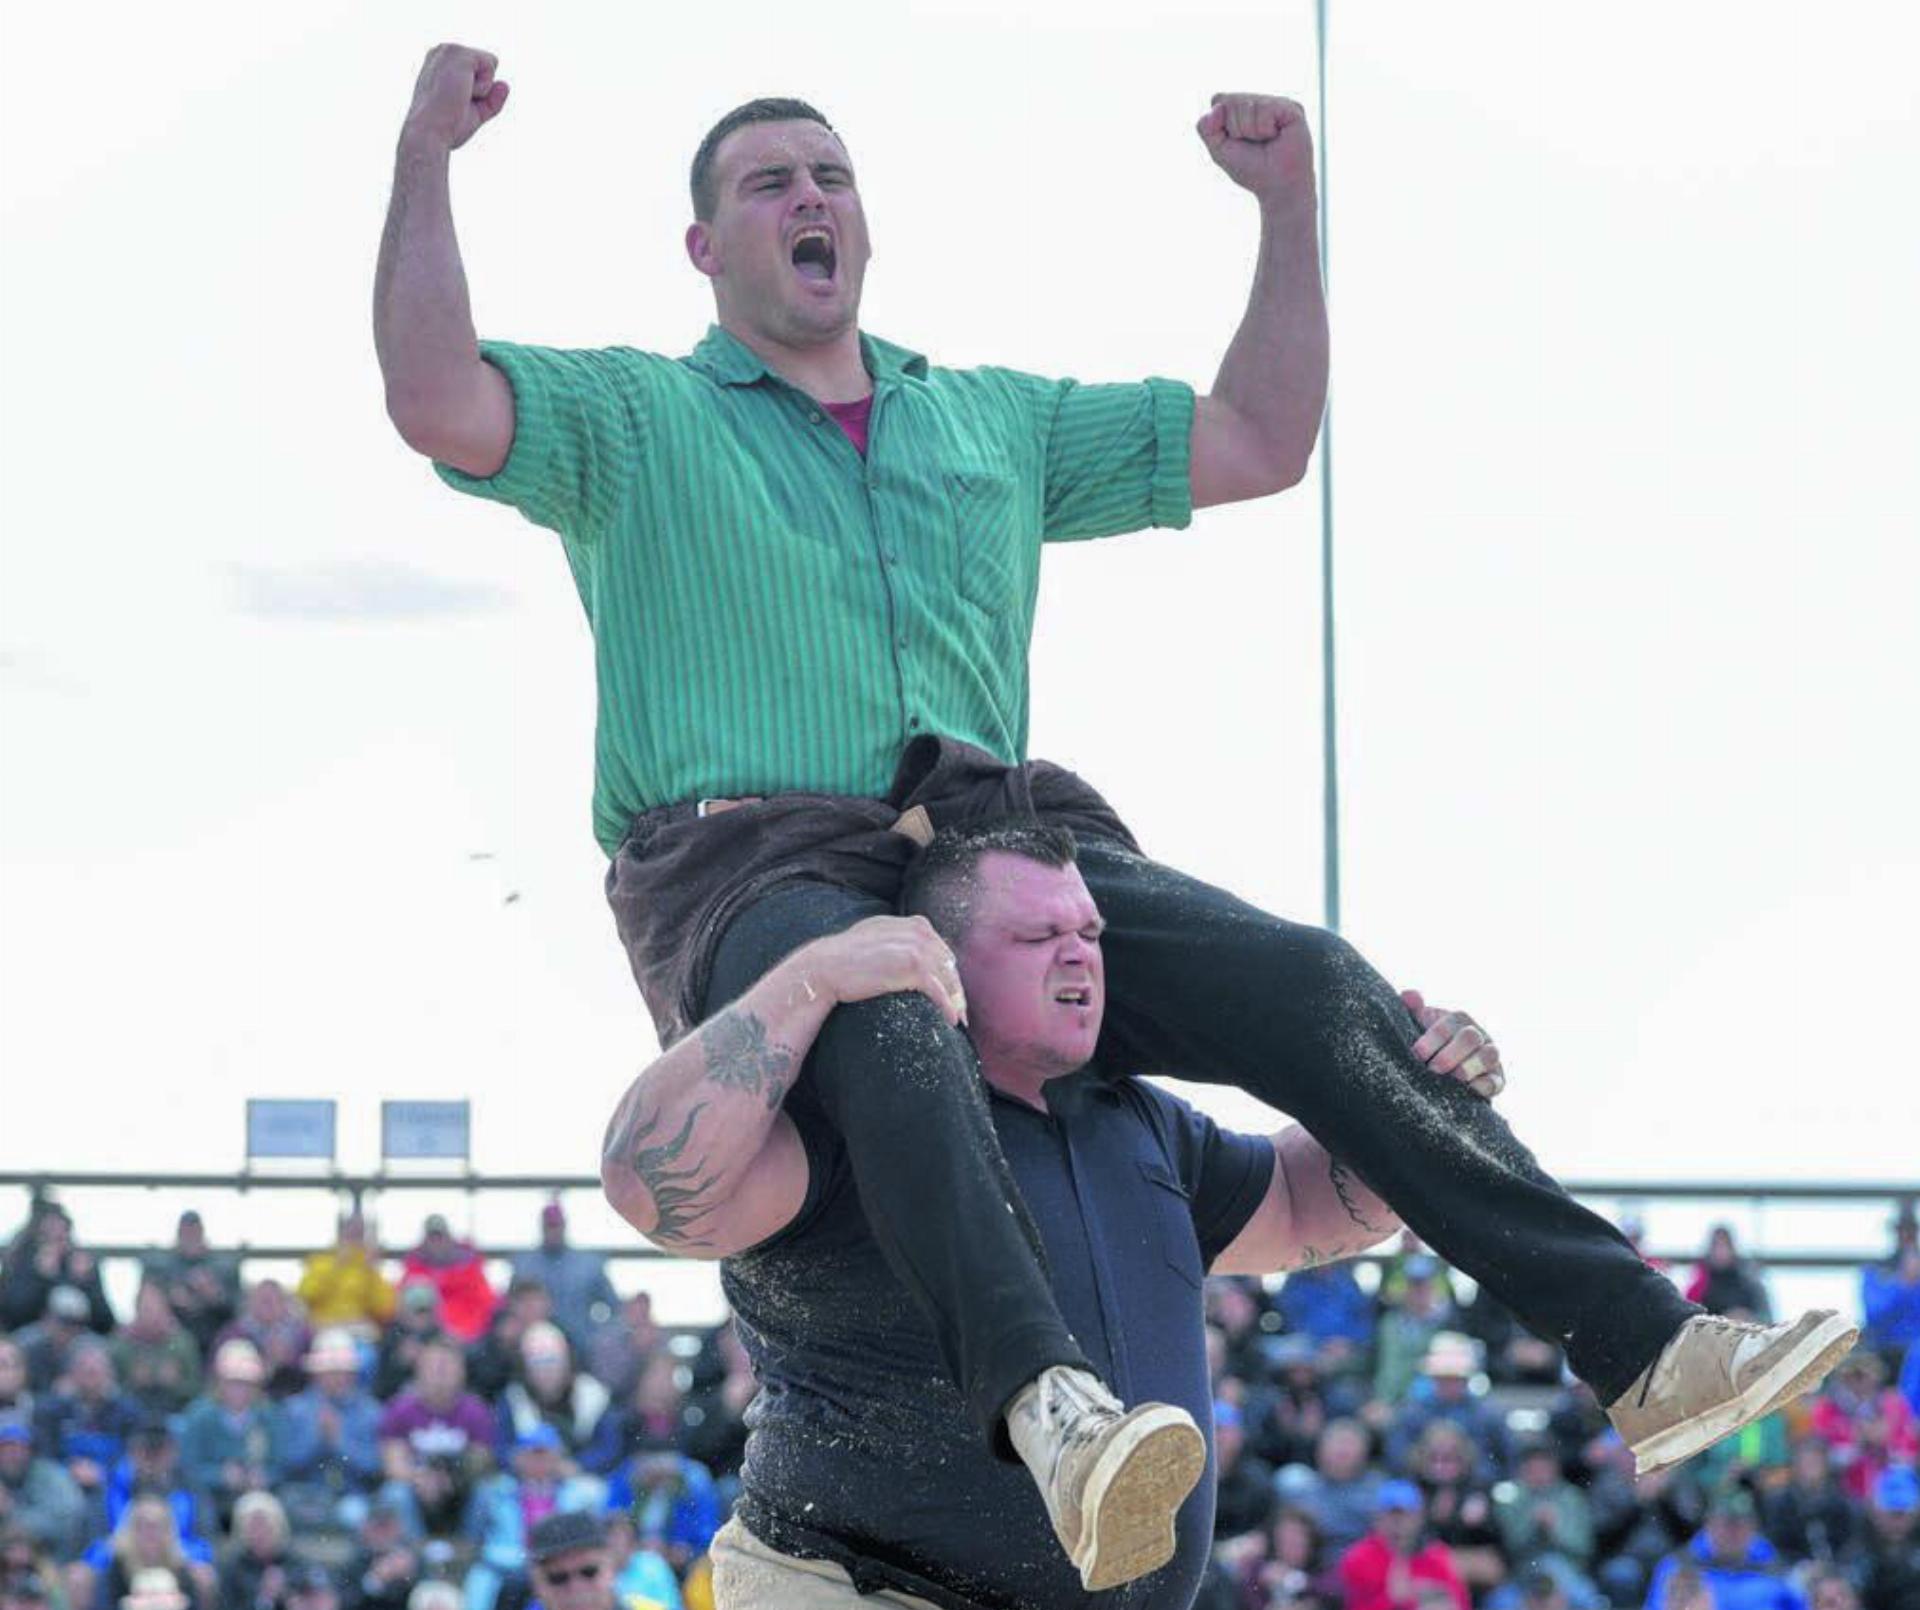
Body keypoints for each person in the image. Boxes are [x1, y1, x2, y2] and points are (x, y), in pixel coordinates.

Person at [380, 44, 1854, 1573]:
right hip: (753, 852)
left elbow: (1258, 443)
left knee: (1309, 980)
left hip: (988, 832)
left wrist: (1290, 207)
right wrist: (426, 153)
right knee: (891, 1019)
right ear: (706, 247)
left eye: (830, 175)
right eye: (769, 183)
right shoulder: (635, 417)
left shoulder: (987, 421)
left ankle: (1642, 1343)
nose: (810, 197)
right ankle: (1055, 1409)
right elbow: (435, 395)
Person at [600, 823, 1497, 1606]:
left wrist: (1411, 1089)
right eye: (1038, 935)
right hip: (861, 1587)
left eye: (1090, 933)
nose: (1080, 955)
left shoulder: (1140, 1123)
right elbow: (650, 1185)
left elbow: (1311, 1206)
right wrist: (810, 980)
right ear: (939, 956)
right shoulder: (851, 1120)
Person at [273, 1330, 384, 1535]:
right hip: (305, 1495)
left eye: (341, 1371)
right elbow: (285, 1464)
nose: (336, 1378)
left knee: (356, 1514)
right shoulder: (294, 1409)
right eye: (329, 1371)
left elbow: (373, 1467)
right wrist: (317, 1439)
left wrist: (338, 1441)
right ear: (315, 1374)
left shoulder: (370, 1411)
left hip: (351, 1496)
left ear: (352, 1374)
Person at [174, 1343, 275, 1533]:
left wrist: (264, 1475)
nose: (239, 1390)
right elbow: (187, 1466)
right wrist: (220, 1475)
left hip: (256, 1496)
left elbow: (281, 1461)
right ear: (219, 1384)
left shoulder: (268, 1416)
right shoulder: (199, 1416)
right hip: (211, 1497)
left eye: (246, 1384)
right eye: (233, 1383)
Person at [1336, 1482, 1470, 1610]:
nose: (1398, 1523)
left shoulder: (1438, 1556)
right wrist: (1398, 1600)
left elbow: (1460, 1603)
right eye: (1391, 1515)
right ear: (1377, 1518)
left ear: (1420, 1517)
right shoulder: (1359, 1558)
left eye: (1405, 1515)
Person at [508, 1210, 616, 1355]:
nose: (553, 1231)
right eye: (549, 1226)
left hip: (581, 1347)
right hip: (533, 1348)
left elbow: (614, 1307)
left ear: (564, 1226)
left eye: (556, 1226)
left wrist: (597, 1335)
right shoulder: (523, 1265)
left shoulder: (588, 1265)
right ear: (542, 1227)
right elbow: (509, 1307)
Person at [142, 1218, 238, 1359]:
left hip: (214, 1341)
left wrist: (213, 1295)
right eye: (186, 1233)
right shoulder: (162, 1268)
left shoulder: (224, 1268)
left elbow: (236, 1311)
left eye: (194, 1233)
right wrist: (171, 1299)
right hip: (171, 1343)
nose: (190, 1238)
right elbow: (148, 1307)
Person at [398, 1223, 494, 1347]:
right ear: (424, 1243)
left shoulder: (472, 1273)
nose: (437, 1244)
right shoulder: (413, 1274)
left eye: (440, 1238)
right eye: (432, 1239)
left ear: (450, 1240)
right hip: (425, 1342)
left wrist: (464, 1335)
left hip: (469, 1341)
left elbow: (488, 1307)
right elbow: (402, 1312)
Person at [0, 1422, 84, 1564]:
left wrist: (11, 1513)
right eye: (7, 1449)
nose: (14, 1455)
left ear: (31, 1451)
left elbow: (70, 1516)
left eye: (20, 1448)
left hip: (49, 1557)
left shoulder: (50, 1476)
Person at [297, 1218, 395, 1338]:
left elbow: (384, 1309)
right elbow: (306, 1295)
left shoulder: (369, 1267)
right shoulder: (321, 1262)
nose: (354, 1240)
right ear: (340, 1234)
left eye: (359, 1235)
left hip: (359, 1329)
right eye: (350, 1233)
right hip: (325, 1327)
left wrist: (371, 1271)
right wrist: (337, 1266)